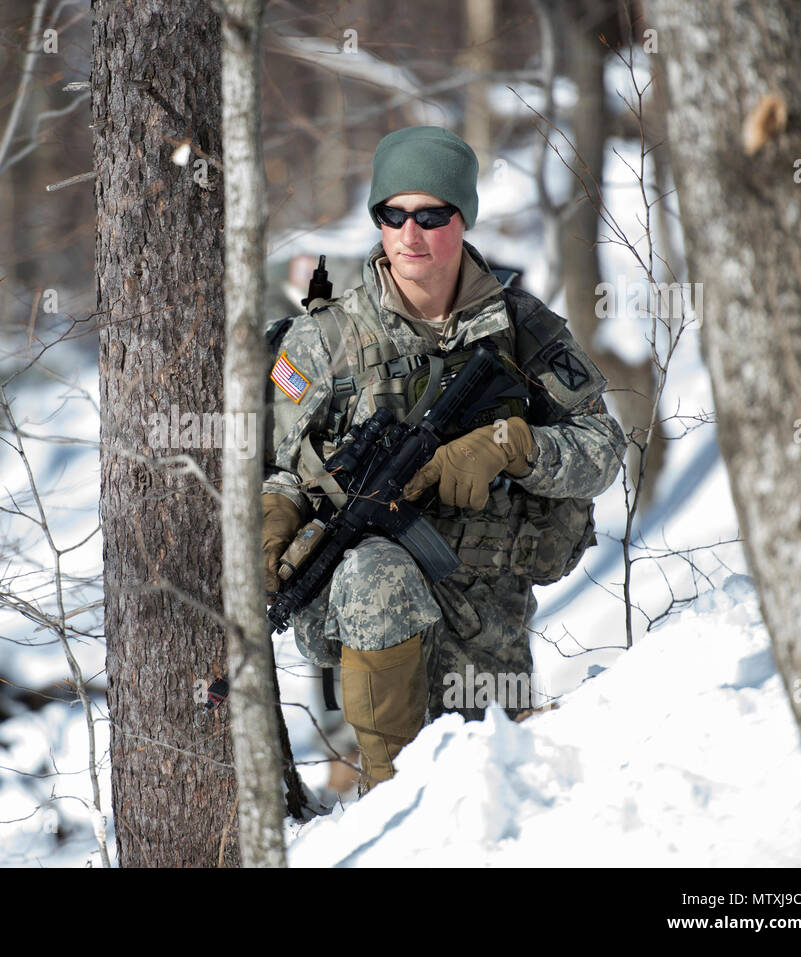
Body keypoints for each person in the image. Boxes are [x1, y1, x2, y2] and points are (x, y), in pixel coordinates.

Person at [262, 126, 624, 791]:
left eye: (431, 215)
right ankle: (388, 807)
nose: (409, 232)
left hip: (487, 622)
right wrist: (276, 515)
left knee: (496, 804)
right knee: (375, 569)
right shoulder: (324, 340)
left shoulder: (523, 329)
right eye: (391, 214)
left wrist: (512, 447)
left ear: (464, 219)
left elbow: (604, 451)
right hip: (361, 621)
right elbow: (286, 466)